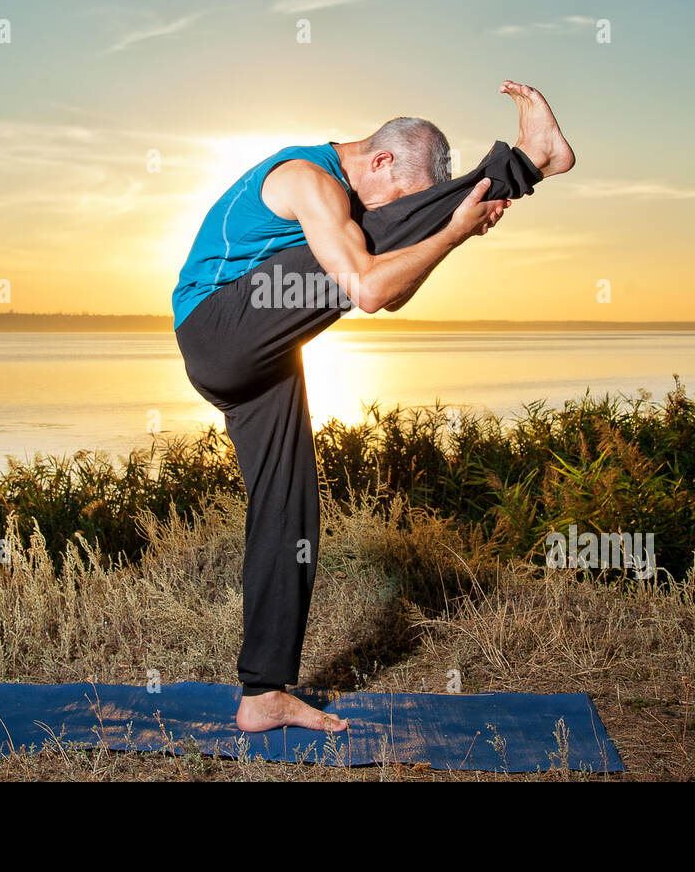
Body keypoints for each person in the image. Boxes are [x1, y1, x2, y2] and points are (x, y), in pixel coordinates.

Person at [172, 81, 575, 732]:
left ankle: (262, 692)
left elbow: (391, 290)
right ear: (382, 162)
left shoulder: (350, 198)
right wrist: (451, 230)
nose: (399, 214)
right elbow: (367, 287)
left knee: (290, 511)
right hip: (218, 330)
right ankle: (524, 162)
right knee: (373, 238)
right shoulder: (311, 180)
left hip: (256, 353)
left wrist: (454, 231)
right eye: (402, 196)